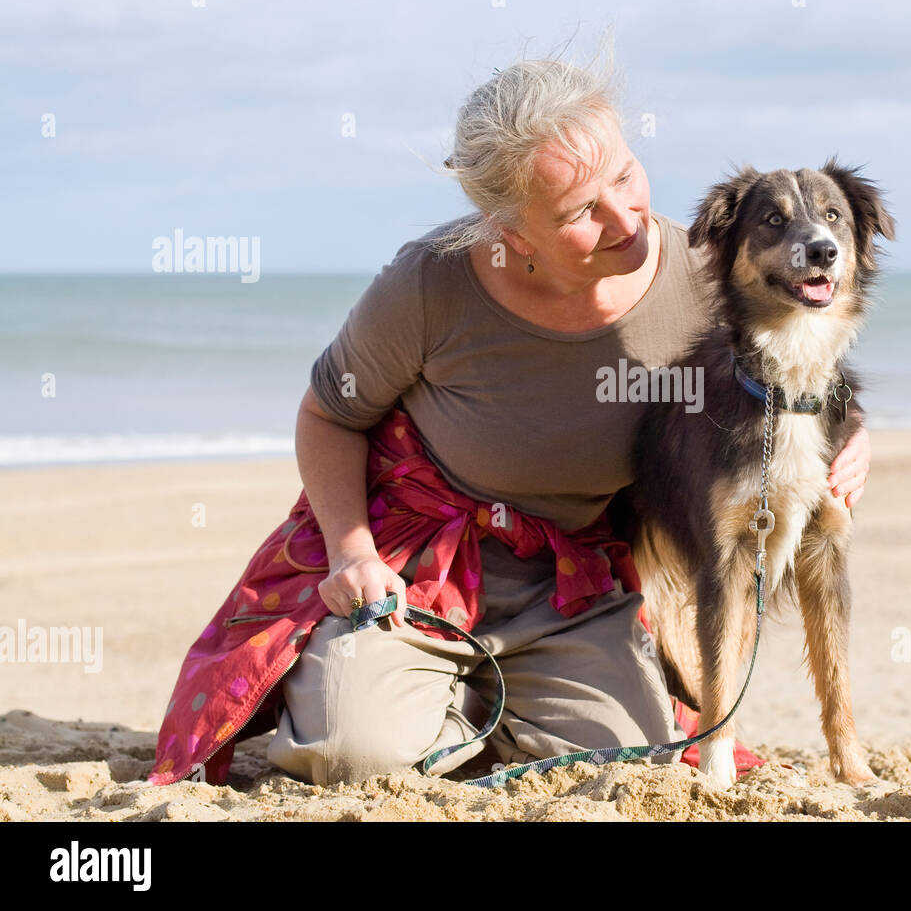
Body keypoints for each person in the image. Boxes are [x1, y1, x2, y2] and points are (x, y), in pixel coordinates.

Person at [261, 45, 873, 786]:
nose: (626, 216)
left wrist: (852, 439)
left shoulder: (703, 268)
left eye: (624, 174)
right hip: (418, 570)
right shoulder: (428, 285)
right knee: (348, 757)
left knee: (633, 757)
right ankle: (403, 684)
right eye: (583, 209)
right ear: (510, 231)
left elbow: (790, 369)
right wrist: (352, 552)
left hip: (574, 583)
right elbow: (328, 416)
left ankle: (478, 701)